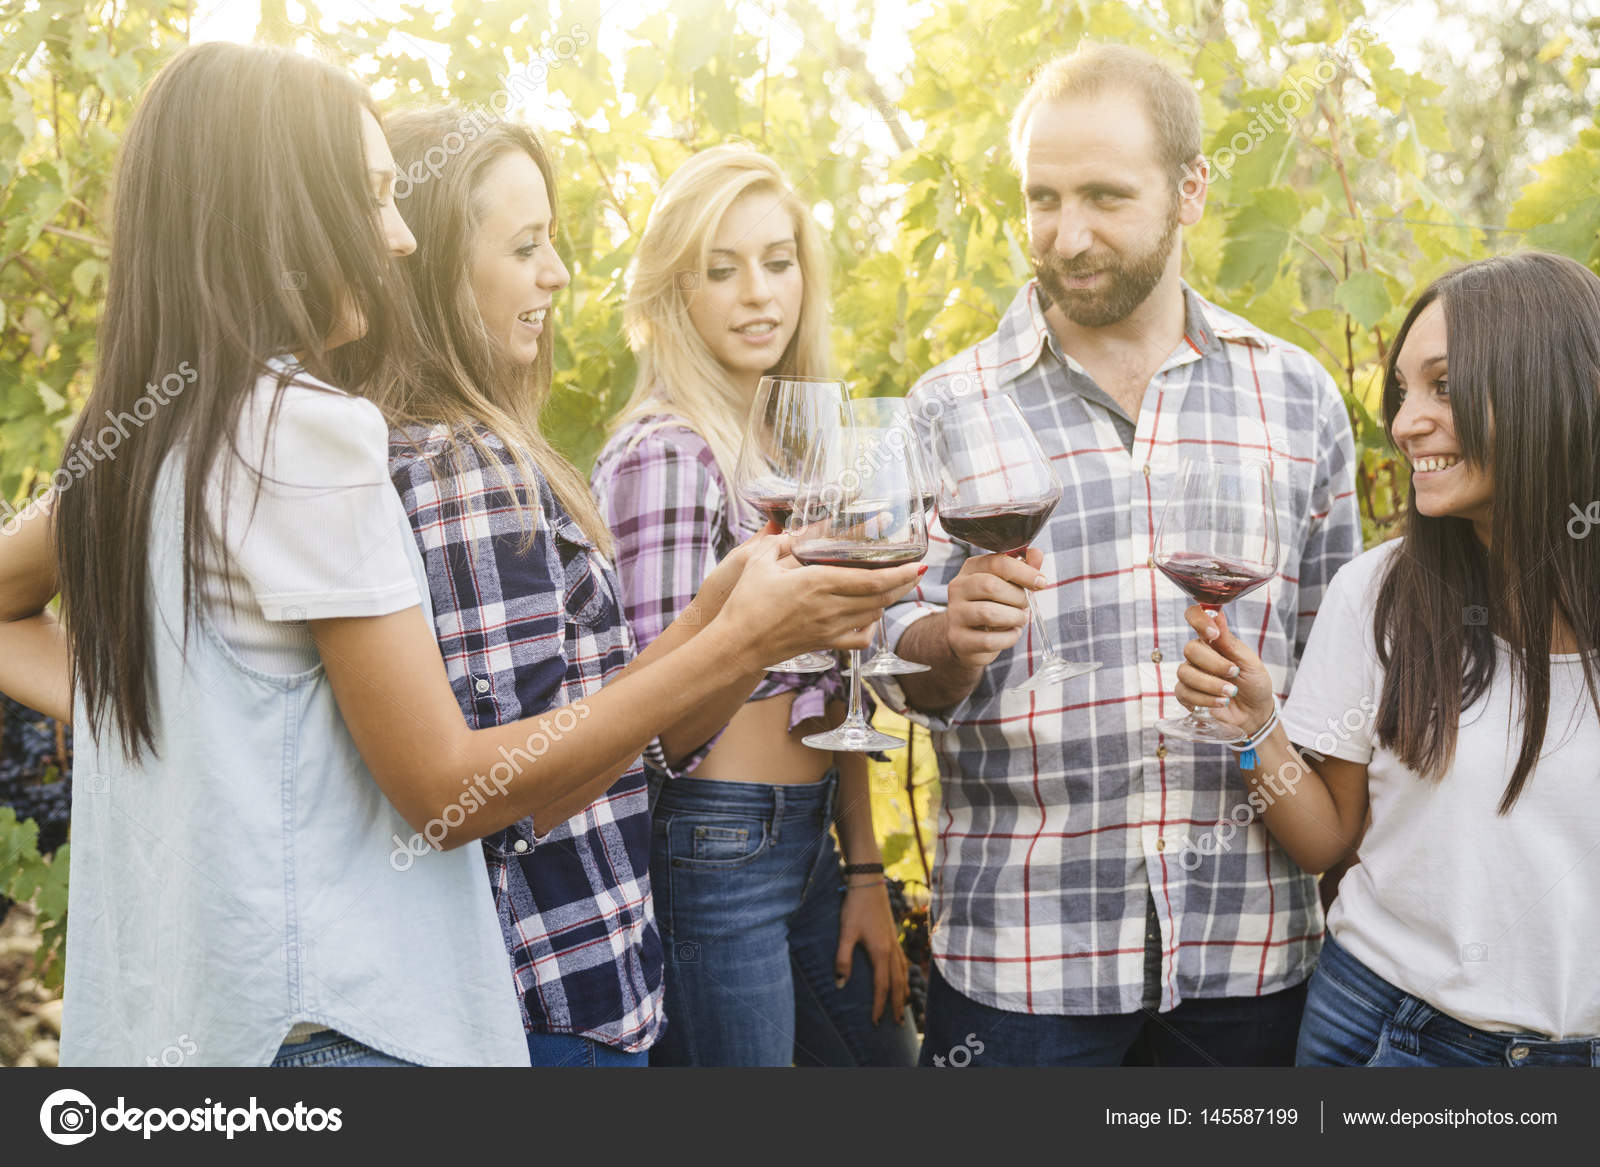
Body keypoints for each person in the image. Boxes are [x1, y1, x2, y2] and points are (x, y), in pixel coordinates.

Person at [0, 46, 915, 1067]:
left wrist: (716, 624)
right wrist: (741, 636)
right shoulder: (325, 437)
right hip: (376, 1027)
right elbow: (457, 792)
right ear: (278, 214)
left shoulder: (154, 435)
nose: (394, 239)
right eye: (373, 200)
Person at [874, 44, 1360, 1066]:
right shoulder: (945, 408)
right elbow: (892, 665)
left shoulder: (1296, 398)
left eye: (1104, 195)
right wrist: (950, 641)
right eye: (1041, 199)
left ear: (1189, 190)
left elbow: (1336, 685)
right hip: (1022, 972)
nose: (1067, 235)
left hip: (1250, 959)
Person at [1176, 252, 1600, 1066]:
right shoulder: (1380, 594)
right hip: (1384, 1032)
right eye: (1404, 390)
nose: (1405, 422)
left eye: (1443, 385)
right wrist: (1256, 725)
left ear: (1549, 387)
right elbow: (1330, 841)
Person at [590, 145, 918, 1066]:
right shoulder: (669, 454)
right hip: (715, 843)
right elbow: (653, 720)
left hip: (809, 843)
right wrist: (759, 630)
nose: (757, 294)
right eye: (720, 270)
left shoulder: (791, 449)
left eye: (778, 262)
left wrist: (862, 866)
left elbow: (834, 680)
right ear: (672, 292)